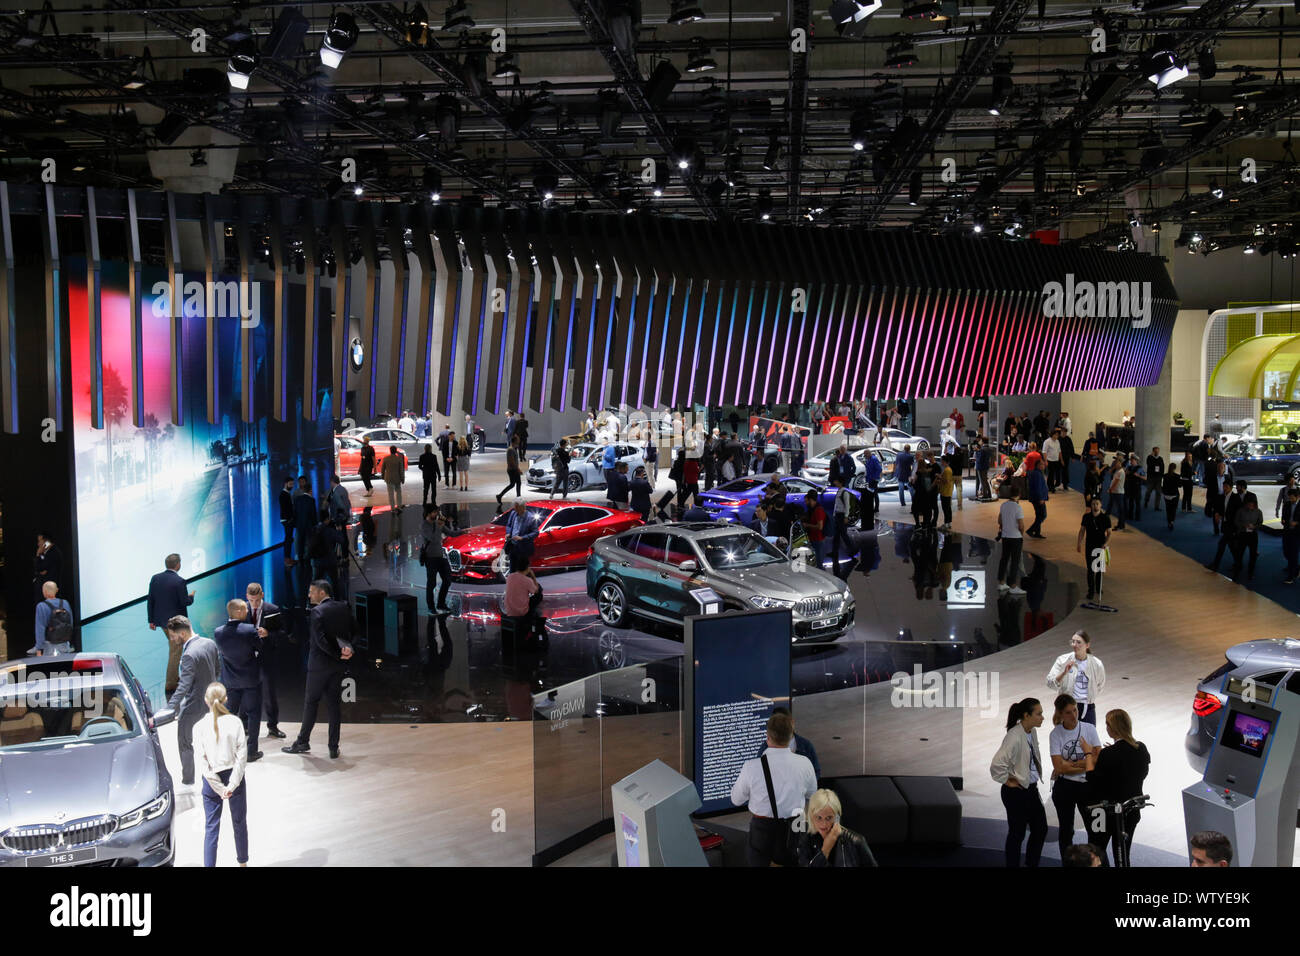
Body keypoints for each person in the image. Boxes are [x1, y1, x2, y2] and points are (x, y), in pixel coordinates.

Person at [730, 711, 818, 867]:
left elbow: (736, 800)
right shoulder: (805, 763)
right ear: (790, 736)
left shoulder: (751, 767)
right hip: (794, 829)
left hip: (762, 832)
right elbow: (812, 793)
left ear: (768, 736)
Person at [283, 580, 355, 760]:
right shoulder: (344, 607)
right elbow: (355, 632)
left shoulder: (316, 612)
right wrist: (348, 650)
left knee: (311, 703)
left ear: (322, 593)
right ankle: (333, 747)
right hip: (338, 666)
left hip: (319, 667)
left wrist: (337, 654)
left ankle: (302, 741)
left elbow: (320, 641)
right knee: (334, 706)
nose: (309, 595)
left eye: (311, 592)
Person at [1084, 709, 1151, 866]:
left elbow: (1092, 779)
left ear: (1112, 728)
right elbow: (1140, 772)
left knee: (1095, 850)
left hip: (1105, 811)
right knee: (1122, 853)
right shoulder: (1141, 748)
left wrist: (1088, 755)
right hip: (1131, 811)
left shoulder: (1108, 754)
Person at [193, 682, 249, 868]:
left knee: (211, 828)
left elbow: (202, 762)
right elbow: (242, 758)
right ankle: (243, 864)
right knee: (239, 823)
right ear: (226, 699)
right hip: (234, 777)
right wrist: (231, 785)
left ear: (205, 701)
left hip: (211, 782)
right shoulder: (236, 722)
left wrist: (218, 787)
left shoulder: (198, 727)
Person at [990, 697, 1048, 867]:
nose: (1042, 717)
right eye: (1039, 714)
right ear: (1026, 715)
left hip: (1030, 789)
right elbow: (996, 765)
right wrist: (1007, 780)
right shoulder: (1014, 736)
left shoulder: (1031, 731)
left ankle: (1031, 864)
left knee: (1040, 829)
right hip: (1016, 793)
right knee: (1017, 833)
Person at [165, 615, 220, 788]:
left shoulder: (188, 654)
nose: (173, 640)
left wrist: (169, 708)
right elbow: (217, 669)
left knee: (184, 739)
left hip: (195, 703)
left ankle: (188, 779)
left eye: (173, 636)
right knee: (213, 738)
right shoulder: (209, 643)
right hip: (212, 701)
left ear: (182, 634)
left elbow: (183, 686)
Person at [1048, 694, 1103, 861]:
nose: (1073, 715)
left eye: (1075, 710)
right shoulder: (1056, 734)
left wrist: (1069, 765)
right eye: (1068, 712)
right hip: (1065, 787)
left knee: (1094, 829)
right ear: (1060, 714)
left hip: (1087, 786)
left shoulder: (1089, 729)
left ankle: (1094, 862)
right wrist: (1086, 761)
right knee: (1066, 830)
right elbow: (1058, 767)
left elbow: (1098, 759)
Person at [212, 599, 267, 762]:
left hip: (230, 681)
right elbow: (260, 648)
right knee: (254, 714)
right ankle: (251, 752)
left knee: (228, 715)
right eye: (244, 610)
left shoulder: (218, 632)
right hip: (251, 679)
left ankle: (227, 750)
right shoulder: (249, 630)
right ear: (237, 612)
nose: (247, 612)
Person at [148, 553, 195, 697]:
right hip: (176, 624)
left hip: (161, 621)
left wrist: (151, 620)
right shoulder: (180, 581)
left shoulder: (155, 578)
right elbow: (184, 602)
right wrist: (192, 597)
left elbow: (150, 600)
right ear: (178, 565)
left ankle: (175, 678)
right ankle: (170, 684)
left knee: (175, 648)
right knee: (175, 651)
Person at [796, 789, 877, 867]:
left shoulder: (855, 841)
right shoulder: (806, 840)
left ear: (837, 817)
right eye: (819, 817)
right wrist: (826, 849)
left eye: (829, 818)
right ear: (811, 816)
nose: (824, 824)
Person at [245, 583, 284, 739]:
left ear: (262, 594)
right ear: (247, 596)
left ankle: (273, 726)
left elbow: (282, 632)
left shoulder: (272, 609)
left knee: (269, 693)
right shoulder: (242, 609)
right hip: (247, 657)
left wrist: (268, 633)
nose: (254, 604)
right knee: (246, 692)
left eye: (256, 600)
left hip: (266, 656)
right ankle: (245, 726)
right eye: (251, 600)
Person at [1046, 630, 1106, 725]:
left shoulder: (1097, 664)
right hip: (1066, 707)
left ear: (1087, 645)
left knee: (1088, 738)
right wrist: (1063, 673)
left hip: (1088, 708)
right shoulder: (1062, 660)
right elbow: (1050, 683)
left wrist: (1088, 697)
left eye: (1079, 642)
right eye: (1073, 641)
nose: (1075, 644)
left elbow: (1100, 685)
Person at [1207, 479, 1248, 572]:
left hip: (1232, 526)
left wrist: (1237, 526)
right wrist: (1217, 513)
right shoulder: (1221, 497)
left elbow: (1239, 513)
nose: (1224, 488)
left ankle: (1216, 565)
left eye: (1226, 487)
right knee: (1231, 547)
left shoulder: (1236, 498)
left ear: (1230, 487)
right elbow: (1218, 508)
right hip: (1225, 525)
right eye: (1223, 486)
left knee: (1222, 545)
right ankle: (1238, 564)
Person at [1077, 496, 1112, 602]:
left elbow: (1109, 532)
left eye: (1097, 503)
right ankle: (1091, 591)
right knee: (1090, 569)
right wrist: (1079, 543)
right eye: (1093, 504)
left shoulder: (1105, 518)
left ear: (1101, 505)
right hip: (1089, 546)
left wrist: (1106, 543)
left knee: (1100, 569)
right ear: (1091, 505)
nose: (1095, 506)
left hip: (1101, 546)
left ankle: (1098, 588)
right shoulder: (1086, 517)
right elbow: (1082, 530)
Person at [502, 554, 544, 638]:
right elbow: (536, 591)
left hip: (509, 610)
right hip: (521, 612)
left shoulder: (510, 577)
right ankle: (532, 614)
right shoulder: (527, 580)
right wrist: (532, 575)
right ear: (527, 566)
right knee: (539, 594)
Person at [421, 506, 453, 613]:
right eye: (435, 512)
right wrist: (439, 527)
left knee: (447, 580)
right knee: (432, 583)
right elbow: (433, 538)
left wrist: (465, 531)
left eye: (437, 512)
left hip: (440, 557)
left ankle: (441, 604)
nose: (437, 514)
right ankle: (431, 607)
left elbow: (451, 533)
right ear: (429, 513)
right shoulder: (424, 525)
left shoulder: (437, 524)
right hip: (430, 558)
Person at [996, 485, 1026, 596]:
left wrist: (1004, 527)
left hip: (1005, 537)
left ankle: (1001, 582)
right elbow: (1021, 525)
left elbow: (999, 520)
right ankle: (1013, 585)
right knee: (1015, 561)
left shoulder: (1003, 505)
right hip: (1016, 538)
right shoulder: (1018, 507)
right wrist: (1021, 534)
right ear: (1019, 495)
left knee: (1004, 559)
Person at [32, 581, 74, 656]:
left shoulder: (41, 606)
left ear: (44, 591)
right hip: (64, 642)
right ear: (56, 590)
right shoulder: (65, 603)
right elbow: (70, 623)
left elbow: (40, 629)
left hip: (49, 645)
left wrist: (39, 648)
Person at [1229, 491, 1263, 582]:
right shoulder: (1240, 511)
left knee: (1253, 555)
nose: (1250, 506)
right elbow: (1236, 521)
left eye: (1252, 504)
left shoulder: (1258, 512)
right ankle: (1237, 571)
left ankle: (1250, 573)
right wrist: (1244, 526)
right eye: (1249, 504)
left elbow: (1260, 523)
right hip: (1242, 535)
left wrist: (1254, 527)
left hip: (1253, 535)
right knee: (1239, 554)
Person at [503, 500, 540, 574]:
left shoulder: (530, 517)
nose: (515, 509)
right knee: (512, 570)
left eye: (517, 507)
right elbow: (509, 525)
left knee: (523, 571)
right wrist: (508, 533)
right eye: (515, 507)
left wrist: (522, 538)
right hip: (513, 546)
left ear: (522, 507)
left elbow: (536, 532)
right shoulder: (513, 514)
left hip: (523, 548)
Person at [830, 478, 855, 575]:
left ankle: (852, 550)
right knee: (836, 535)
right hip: (837, 515)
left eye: (836, 481)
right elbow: (836, 505)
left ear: (840, 482)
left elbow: (847, 505)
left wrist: (846, 516)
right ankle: (834, 552)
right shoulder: (839, 491)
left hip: (841, 516)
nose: (834, 481)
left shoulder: (844, 492)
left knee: (843, 534)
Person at [33, 532, 64, 605]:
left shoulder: (53, 553)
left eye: (39, 541)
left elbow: (39, 568)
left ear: (46, 542)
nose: (38, 544)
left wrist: (38, 555)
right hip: (46, 591)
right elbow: (41, 570)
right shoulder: (47, 553)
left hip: (49, 592)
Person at [293, 476, 319, 562]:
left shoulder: (297, 499)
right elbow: (313, 513)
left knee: (300, 541)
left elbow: (295, 512)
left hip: (300, 524)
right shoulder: (311, 500)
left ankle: (300, 557)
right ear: (310, 490)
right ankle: (309, 557)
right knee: (309, 541)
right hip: (308, 524)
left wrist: (296, 522)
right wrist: (315, 524)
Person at [803, 491, 827, 568]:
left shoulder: (818, 510)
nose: (805, 503)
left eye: (806, 501)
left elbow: (820, 527)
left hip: (818, 540)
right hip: (813, 539)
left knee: (819, 565)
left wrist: (807, 525)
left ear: (811, 500)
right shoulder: (812, 509)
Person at [497, 435, 523, 504]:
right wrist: (518, 469)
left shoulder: (514, 449)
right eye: (518, 440)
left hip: (513, 469)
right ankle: (518, 498)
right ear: (515, 441)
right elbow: (512, 462)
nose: (519, 441)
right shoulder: (511, 449)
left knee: (514, 484)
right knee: (516, 483)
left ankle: (500, 496)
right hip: (512, 470)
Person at [1026, 458, 1048, 539]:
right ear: (1038, 465)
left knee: (1039, 515)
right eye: (1042, 464)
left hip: (1036, 498)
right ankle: (1031, 530)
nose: (1044, 465)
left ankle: (1037, 533)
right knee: (1043, 515)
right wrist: (1041, 498)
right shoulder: (1037, 474)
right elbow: (1037, 488)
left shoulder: (1037, 473)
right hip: (1038, 498)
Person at [381, 445, 406, 512]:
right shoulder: (399, 459)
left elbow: (383, 469)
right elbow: (401, 470)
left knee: (391, 494)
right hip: (397, 478)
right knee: (398, 493)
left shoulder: (386, 458)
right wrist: (402, 478)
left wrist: (383, 476)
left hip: (388, 478)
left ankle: (392, 508)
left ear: (390, 451)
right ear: (396, 451)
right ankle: (399, 506)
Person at [1283, 487, 1300, 584]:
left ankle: (1290, 576)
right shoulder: (1287, 504)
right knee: (1286, 551)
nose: (1291, 500)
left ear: (1297, 497)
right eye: (1289, 498)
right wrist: (1283, 520)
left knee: (1293, 553)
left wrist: (1296, 523)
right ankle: (1296, 568)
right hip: (1287, 530)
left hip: (1297, 533)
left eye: (1292, 498)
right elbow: (1285, 515)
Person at [278, 476, 296, 562]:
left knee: (288, 538)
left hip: (287, 519)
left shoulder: (287, 494)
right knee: (288, 539)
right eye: (290, 484)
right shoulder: (283, 494)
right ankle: (287, 559)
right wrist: (289, 519)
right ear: (286, 484)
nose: (292, 485)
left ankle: (288, 558)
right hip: (287, 520)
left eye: (293, 484)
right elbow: (285, 508)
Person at [1105, 457, 1126, 531]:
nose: (1115, 463)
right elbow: (1110, 473)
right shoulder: (1117, 470)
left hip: (1118, 492)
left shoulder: (1121, 471)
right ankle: (1119, 525)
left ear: (1120, 463)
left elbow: (1116, 482)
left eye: (1117, 462)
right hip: (1115, 492)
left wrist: (1110, 489)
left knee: (1120, 510)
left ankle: (1121, 526)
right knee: (1112, 508)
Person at [1161, 461, 1181, 530]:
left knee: (1168, 509)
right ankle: (1172, 521)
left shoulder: (1165, 475)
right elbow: (1180, 485)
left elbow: (1163, 485)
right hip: (1174, 495)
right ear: (1175, 468)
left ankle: (1169, 521)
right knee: (1173, 509)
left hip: (1166, 495)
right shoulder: (1177, 476)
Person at [1143, 447, 1164, 511]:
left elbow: (1162, 467)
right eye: (1155, 451)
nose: (1157, 452)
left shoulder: (1160, 458)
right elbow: (1149, 464)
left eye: (1158, 451)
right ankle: (1146, 501)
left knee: (1158, 493)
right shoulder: (1149, 458)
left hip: (1158, 478)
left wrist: (1161, 476)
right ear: (1153, 451)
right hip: (1151, 478)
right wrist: (1151, 455)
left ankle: (1156, 506)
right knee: (1148, 491)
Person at [436, 423, 454, 487]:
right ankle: (451, 471)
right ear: (449, 427)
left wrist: (439, 445)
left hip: (443, 449)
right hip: (450, 448)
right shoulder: (451, 434)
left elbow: (436, 440)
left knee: (444, 461)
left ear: (445, 427)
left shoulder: (442, 433)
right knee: (451, 459)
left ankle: (446, 472)